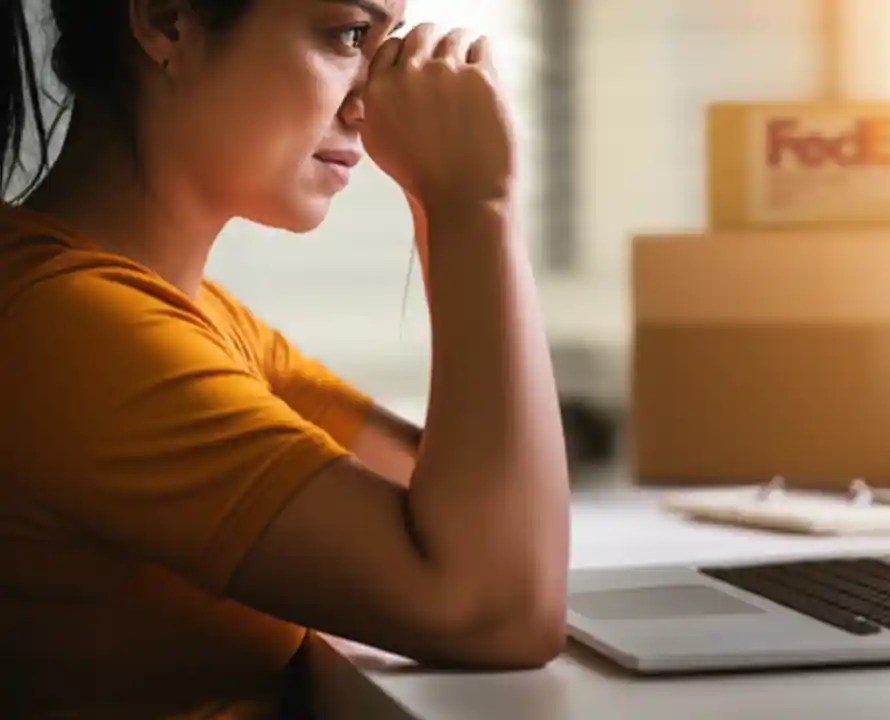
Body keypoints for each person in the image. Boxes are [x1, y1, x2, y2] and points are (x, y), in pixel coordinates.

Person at [0, 0, 571, 717]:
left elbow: (482, 515)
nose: (371, 103)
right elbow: (499, 605)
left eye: (384, 43)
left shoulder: (183, 314)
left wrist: (450, 198)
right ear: (168, 21)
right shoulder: (70, 329)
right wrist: (472, 205)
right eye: (349, 34)